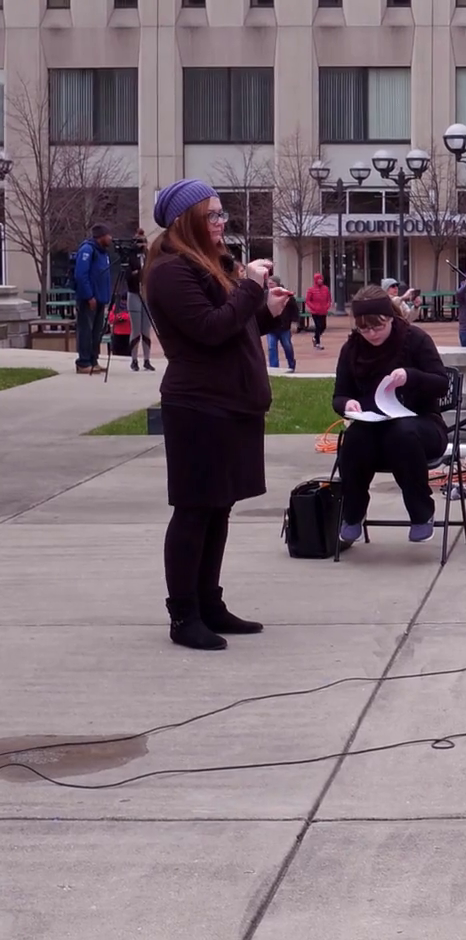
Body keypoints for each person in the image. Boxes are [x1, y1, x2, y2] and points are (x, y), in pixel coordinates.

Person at [142, 181, 292, 650]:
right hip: (198, 405)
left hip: (232, 402)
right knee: (194, 510)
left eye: (221, 214)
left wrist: (267, 310)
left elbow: (235, 329)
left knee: (219, 507)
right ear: (186, 220)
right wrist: (249, 286)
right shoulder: (170, 271)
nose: (220, 222)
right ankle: (184, 615)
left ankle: (210, 603)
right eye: (211, 215)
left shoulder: (207, 264)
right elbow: (209, 330)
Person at [331, 287, 451, 543]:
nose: (372, 334)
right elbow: (339, 396)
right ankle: (352, 513)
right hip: (373, 427)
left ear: (390, 318)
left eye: (378, 327)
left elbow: (442, 383)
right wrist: (348, 404)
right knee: (354, 440)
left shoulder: (415, 339)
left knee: (402, 434)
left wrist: (411, 377)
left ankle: (421, 513)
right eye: (364, 329)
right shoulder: (352, 349)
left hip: (423, 424)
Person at [72, 223, 114, 374]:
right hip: (89, 299)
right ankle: (83, 362)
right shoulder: (87, 250)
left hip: (100, 298)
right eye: (108, 235)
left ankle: (93, 360)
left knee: (96, 332)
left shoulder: (103, 253)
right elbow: (81, 275)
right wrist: (89, 295)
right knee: (86, 330)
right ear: (101, 236)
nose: (111, 238)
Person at [124, 233, 156, 370]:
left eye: (143, 241)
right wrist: (137, 273)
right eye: (139, 242)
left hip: (146, 293)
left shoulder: (149, 255)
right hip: (134, 293)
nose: (141, 244)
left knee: (146, 329)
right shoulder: (130, 256)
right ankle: (134, 359)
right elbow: (127, 274)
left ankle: (147, 360)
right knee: (136, 329)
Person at [259, 276, 299, 373]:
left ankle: (291, 364)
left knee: (287, 346)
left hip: (284, 327)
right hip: (270, 328)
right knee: (271, 347)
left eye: (271, 283)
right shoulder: (265, 295)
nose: (269, 285)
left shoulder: (286, 295)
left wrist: (294, 322)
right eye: (268, 283)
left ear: (277, 283)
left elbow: (294, 310)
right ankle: (274, 368)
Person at [304, 273, 332, 352]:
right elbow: (308, 300)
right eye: (318, 279)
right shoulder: (311, 290)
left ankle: (315, 337)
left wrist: (327, 306)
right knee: (318, 326)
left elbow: (329, 299)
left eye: (321, 279)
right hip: (315, 312)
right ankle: (318, 343)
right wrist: (313, 307)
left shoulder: (326, 289)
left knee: (323, 326)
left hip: (323, 311)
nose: (320, 281)